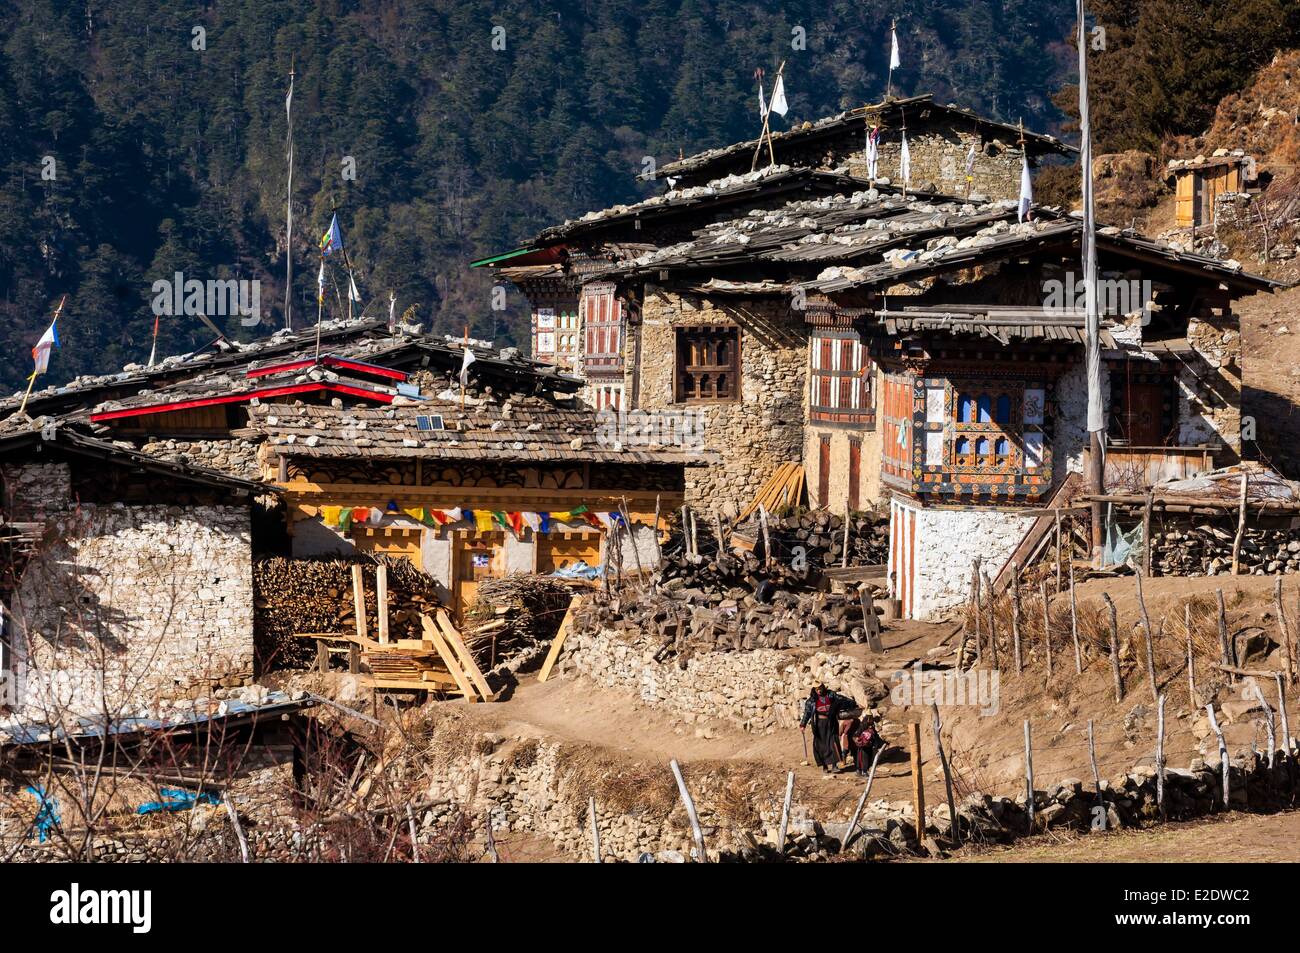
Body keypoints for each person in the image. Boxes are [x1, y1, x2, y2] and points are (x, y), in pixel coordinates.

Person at [800, 684, 848, 773]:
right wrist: (803, 724)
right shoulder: (811, 701)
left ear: (823, 687)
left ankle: (834, 766)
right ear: (814, 689)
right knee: (821, 745)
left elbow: (841, 699)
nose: (819, 691)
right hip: (819, 724)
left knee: (833, 742)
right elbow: (807, 713)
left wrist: (851, 703)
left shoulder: (830, 695)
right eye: (817, 689)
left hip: (831, 722)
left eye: (820, 688)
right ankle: (825, 766)